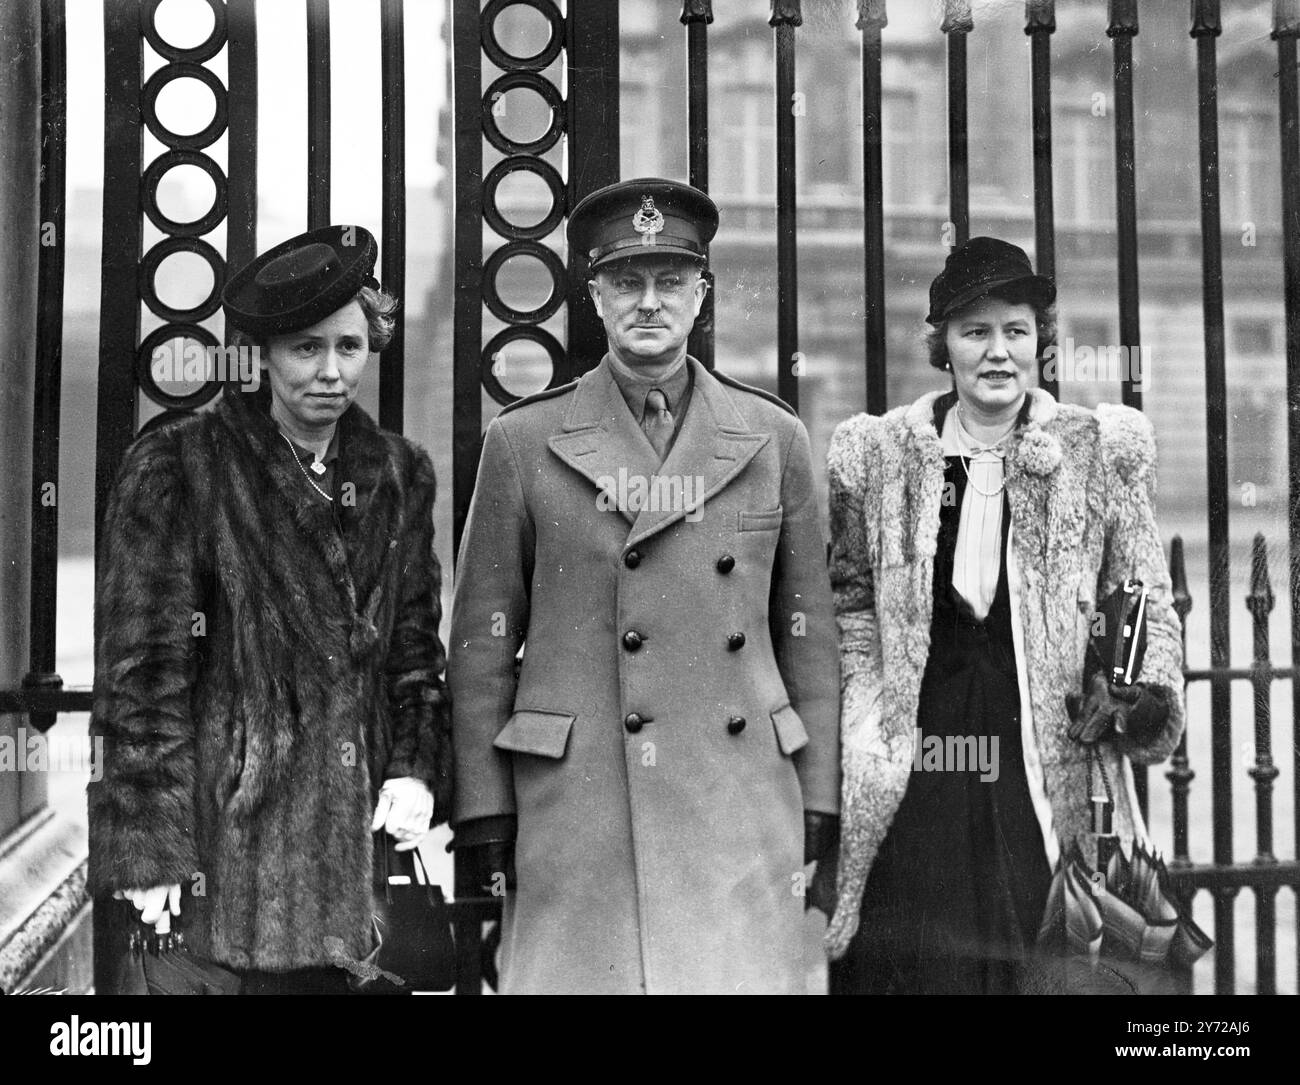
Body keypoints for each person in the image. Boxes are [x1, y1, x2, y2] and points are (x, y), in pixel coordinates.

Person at [449, 179, 841, 994]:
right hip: (580, 803)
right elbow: (481, 642)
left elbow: (811, 640)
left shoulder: (773, 438)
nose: (649, 304)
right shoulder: (524, 441)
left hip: (737, 798)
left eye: (670, 281)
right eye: (626, 282)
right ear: (593, 294)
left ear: (702, 292)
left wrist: (820, 798)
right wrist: (484, 809)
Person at [87, 225, 451, 994]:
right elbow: (141, 675)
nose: (330, 371)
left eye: (348, 347)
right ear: (261, 356)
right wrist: (149, 851)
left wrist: (416, 767)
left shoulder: (397, 473)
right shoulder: (181, 464)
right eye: (305, 348)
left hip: (360, 865)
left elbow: (415, 649)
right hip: (224, 867)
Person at [822, 236, 1185, 994]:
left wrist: (1129, 688)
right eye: (974, 331)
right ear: (943, 346)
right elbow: (850, 597)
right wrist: (865, 710)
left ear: (1040, 344)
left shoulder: (1096, 451)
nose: (997, 353)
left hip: (1044, 758)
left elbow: (1141, 591)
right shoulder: (881, 456)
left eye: (1015, 331)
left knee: (1048, 963)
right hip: (922, 761)